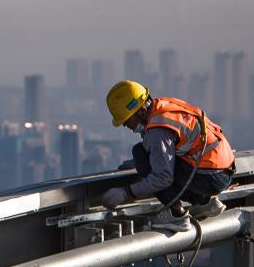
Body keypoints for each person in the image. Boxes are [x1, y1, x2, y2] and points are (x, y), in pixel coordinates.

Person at [101, 80, 235, 232]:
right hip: (223, 169)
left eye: (126, 120)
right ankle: (204, 203)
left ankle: (176, 215)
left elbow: (163, 178)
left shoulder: (157, 130)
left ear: (139, 111)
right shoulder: (163, 107)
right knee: (144, 156)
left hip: (209, 177)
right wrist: (138, 162)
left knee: (140, 153)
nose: (126, 126)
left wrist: (126, 192)